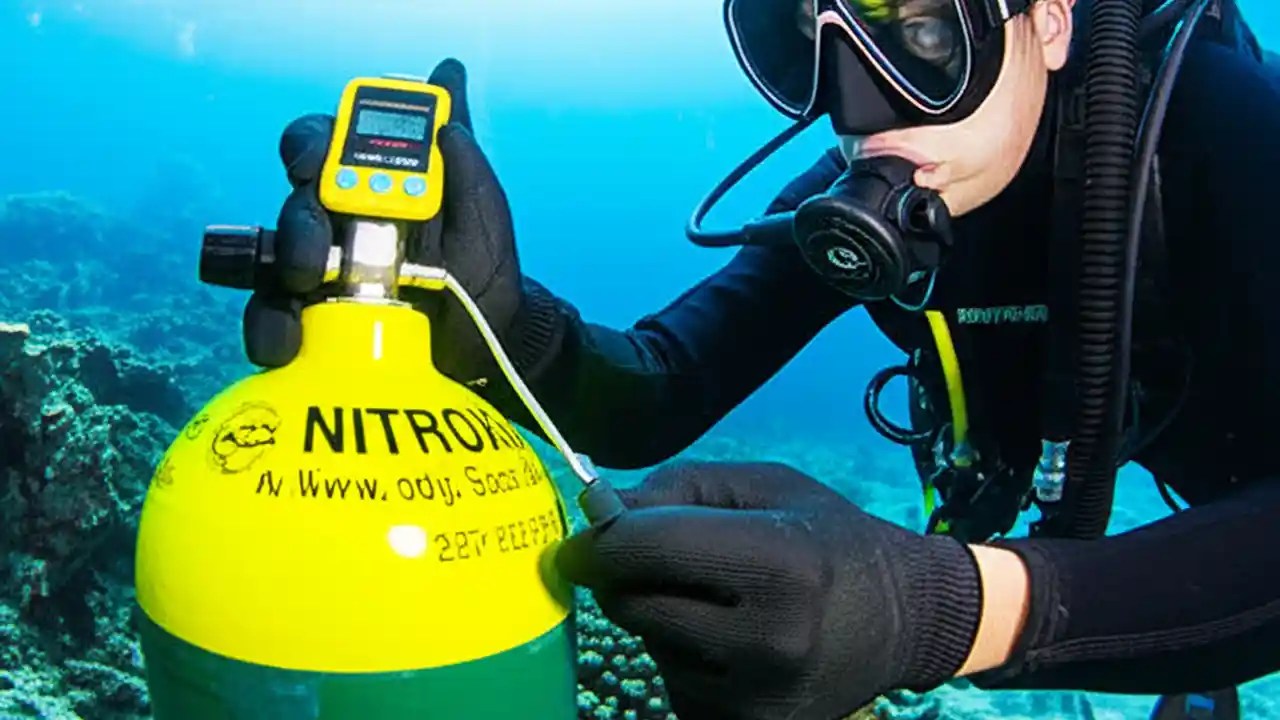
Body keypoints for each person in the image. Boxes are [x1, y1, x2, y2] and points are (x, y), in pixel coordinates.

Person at [238, 0, 1280, 718]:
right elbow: (656, 387)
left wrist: (941, 610)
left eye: (917, 30)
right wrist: (499, 328)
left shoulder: (1229, 140)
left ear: (1048, 19)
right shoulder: (878, 179)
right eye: (812, 50)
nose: (859, 106)